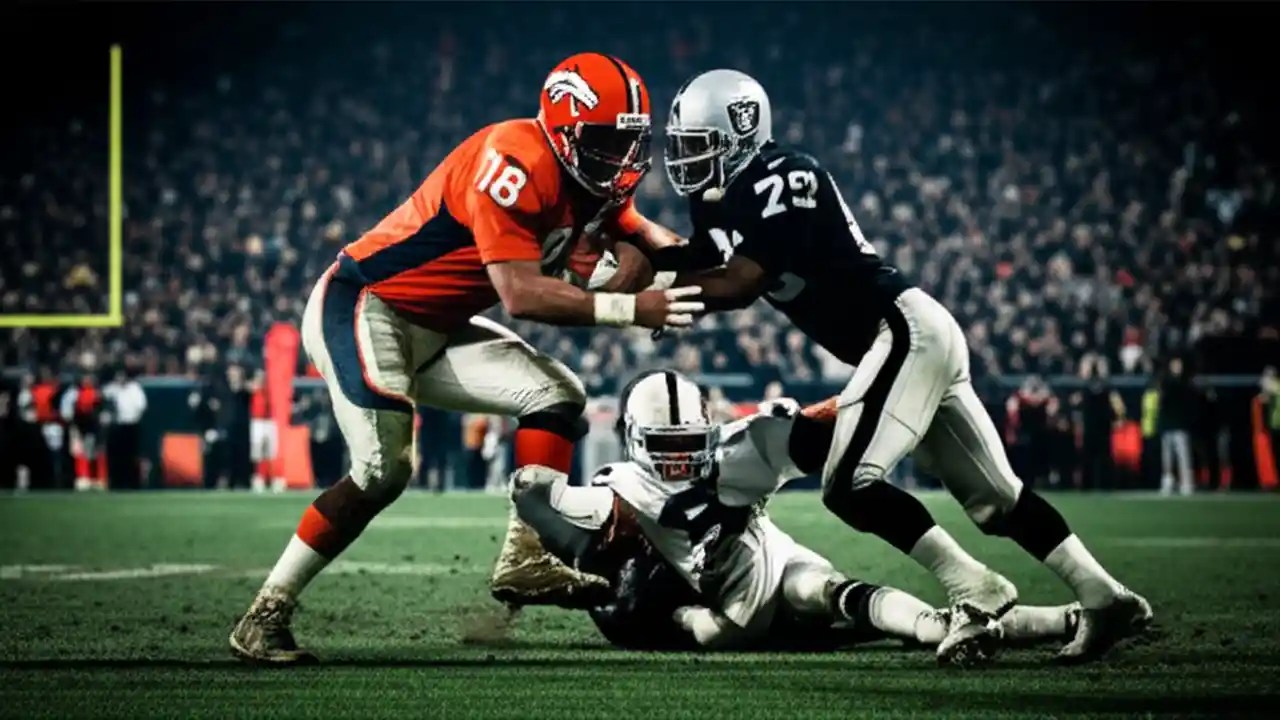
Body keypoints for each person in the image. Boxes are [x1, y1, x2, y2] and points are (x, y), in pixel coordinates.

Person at [651, 69, 1150, 664]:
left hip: (901, 330)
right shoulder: (722, 200)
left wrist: (660, 295)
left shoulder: (785, 174)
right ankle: (1104, 595)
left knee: (848, 485)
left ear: (740, 131)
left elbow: (737, 283)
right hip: (907, 337)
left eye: (699, 144)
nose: (685, 160)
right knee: (997, 499)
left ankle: (977, 589)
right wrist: (636, 270)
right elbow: (697, 260)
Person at [230, 53, 704, 665]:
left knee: (557, 395)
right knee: (383, 470)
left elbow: (648, 236)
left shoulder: (591, 180)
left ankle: (527, 553)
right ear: (563, 130)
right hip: (366, 307)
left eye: (630, 142)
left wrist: (700, 259)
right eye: (607, 140)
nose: (621, 158)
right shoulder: (512, 159)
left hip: (438, 326)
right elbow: (520, 294)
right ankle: (266, 612)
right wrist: (631, 308)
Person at [513, 370, 1078, 655]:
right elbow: (537, 494)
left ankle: (1038, 622)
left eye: (690, 443)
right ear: (634, 440)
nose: (683, 460)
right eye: (668, 447)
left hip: (768, 563)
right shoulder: (617, 492)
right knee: (707, 631)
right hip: (722, 610)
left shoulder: (740, 448)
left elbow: (807, 433)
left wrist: (830, 414)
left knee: (828, 592)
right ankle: (1044, 620)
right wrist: (531, 522)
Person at [61, 372, 107, 491]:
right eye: (85, 377)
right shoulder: (73, 393)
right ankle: (83, 478)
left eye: (89, 377)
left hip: (95, 426)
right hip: (78, 426)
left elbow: (103, 409)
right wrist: (72, 424)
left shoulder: (98, 393)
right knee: (80, 452)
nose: (87, 380)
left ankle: (98, 479)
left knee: (97, 452)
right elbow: (66, 412)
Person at [1158, 358, 1196, 496]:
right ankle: (1168, 481)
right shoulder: (1166, 383)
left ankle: (1186, 483)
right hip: (1168, 424)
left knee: (1183, 455)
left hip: (1180, 424)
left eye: (1179, 365)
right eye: (1175, 365)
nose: (1177, 367)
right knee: (1167, 457)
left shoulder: (1186, 383)